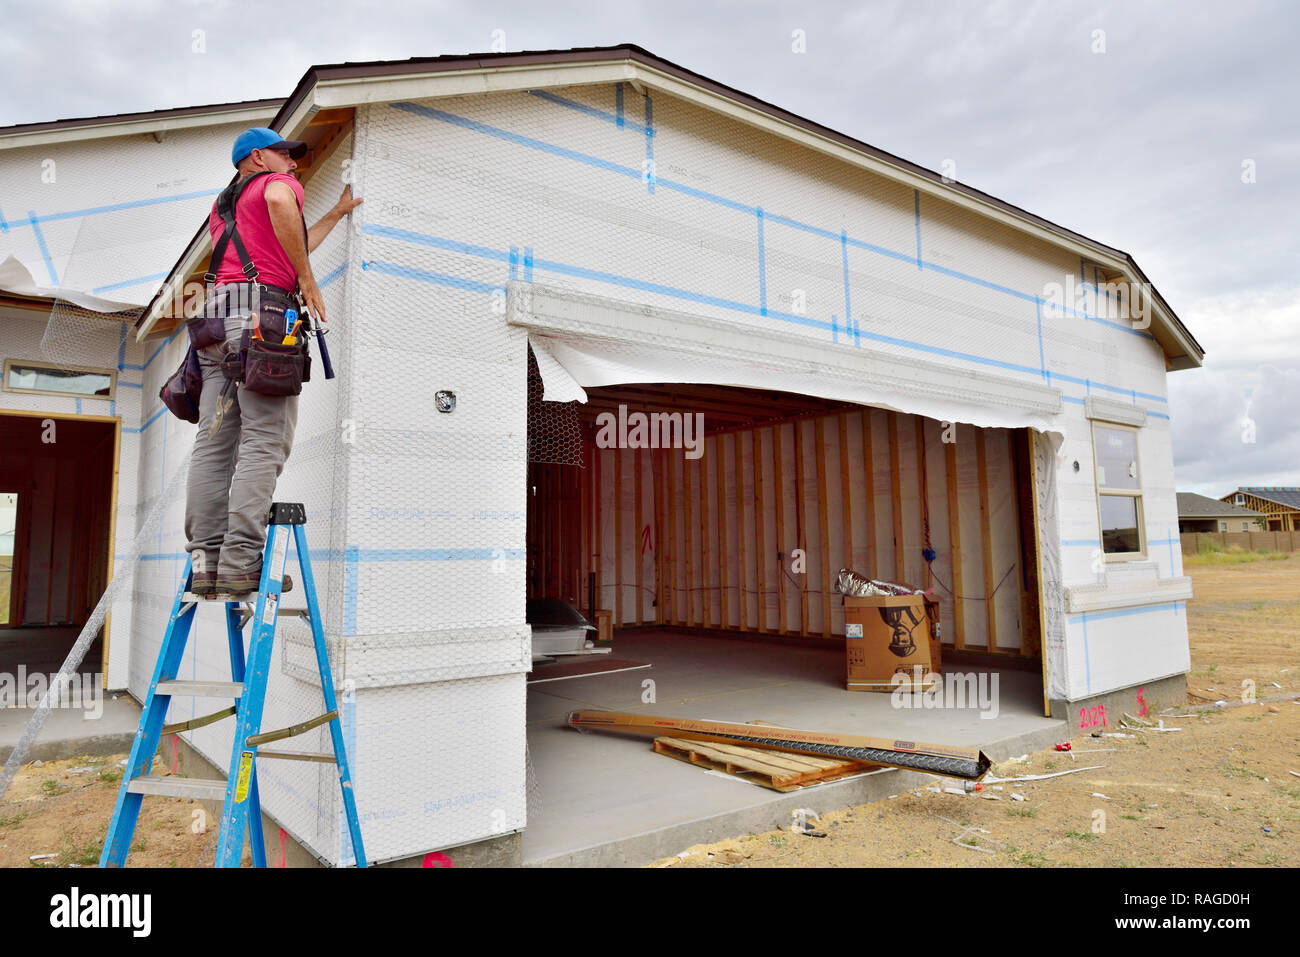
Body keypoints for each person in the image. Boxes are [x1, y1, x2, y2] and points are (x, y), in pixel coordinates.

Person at [185, 127, 361, 596]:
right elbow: (285, 207)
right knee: (264, 440)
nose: (294, 164)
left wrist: (336, 214)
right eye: (285, 155)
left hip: (216, 322)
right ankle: (242, 563)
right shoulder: (274, 185)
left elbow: (291, 241)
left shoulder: (226, 206)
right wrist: (307, 281)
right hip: (261, 319)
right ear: (258, 157)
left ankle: (207, 565)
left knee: (214, 443)